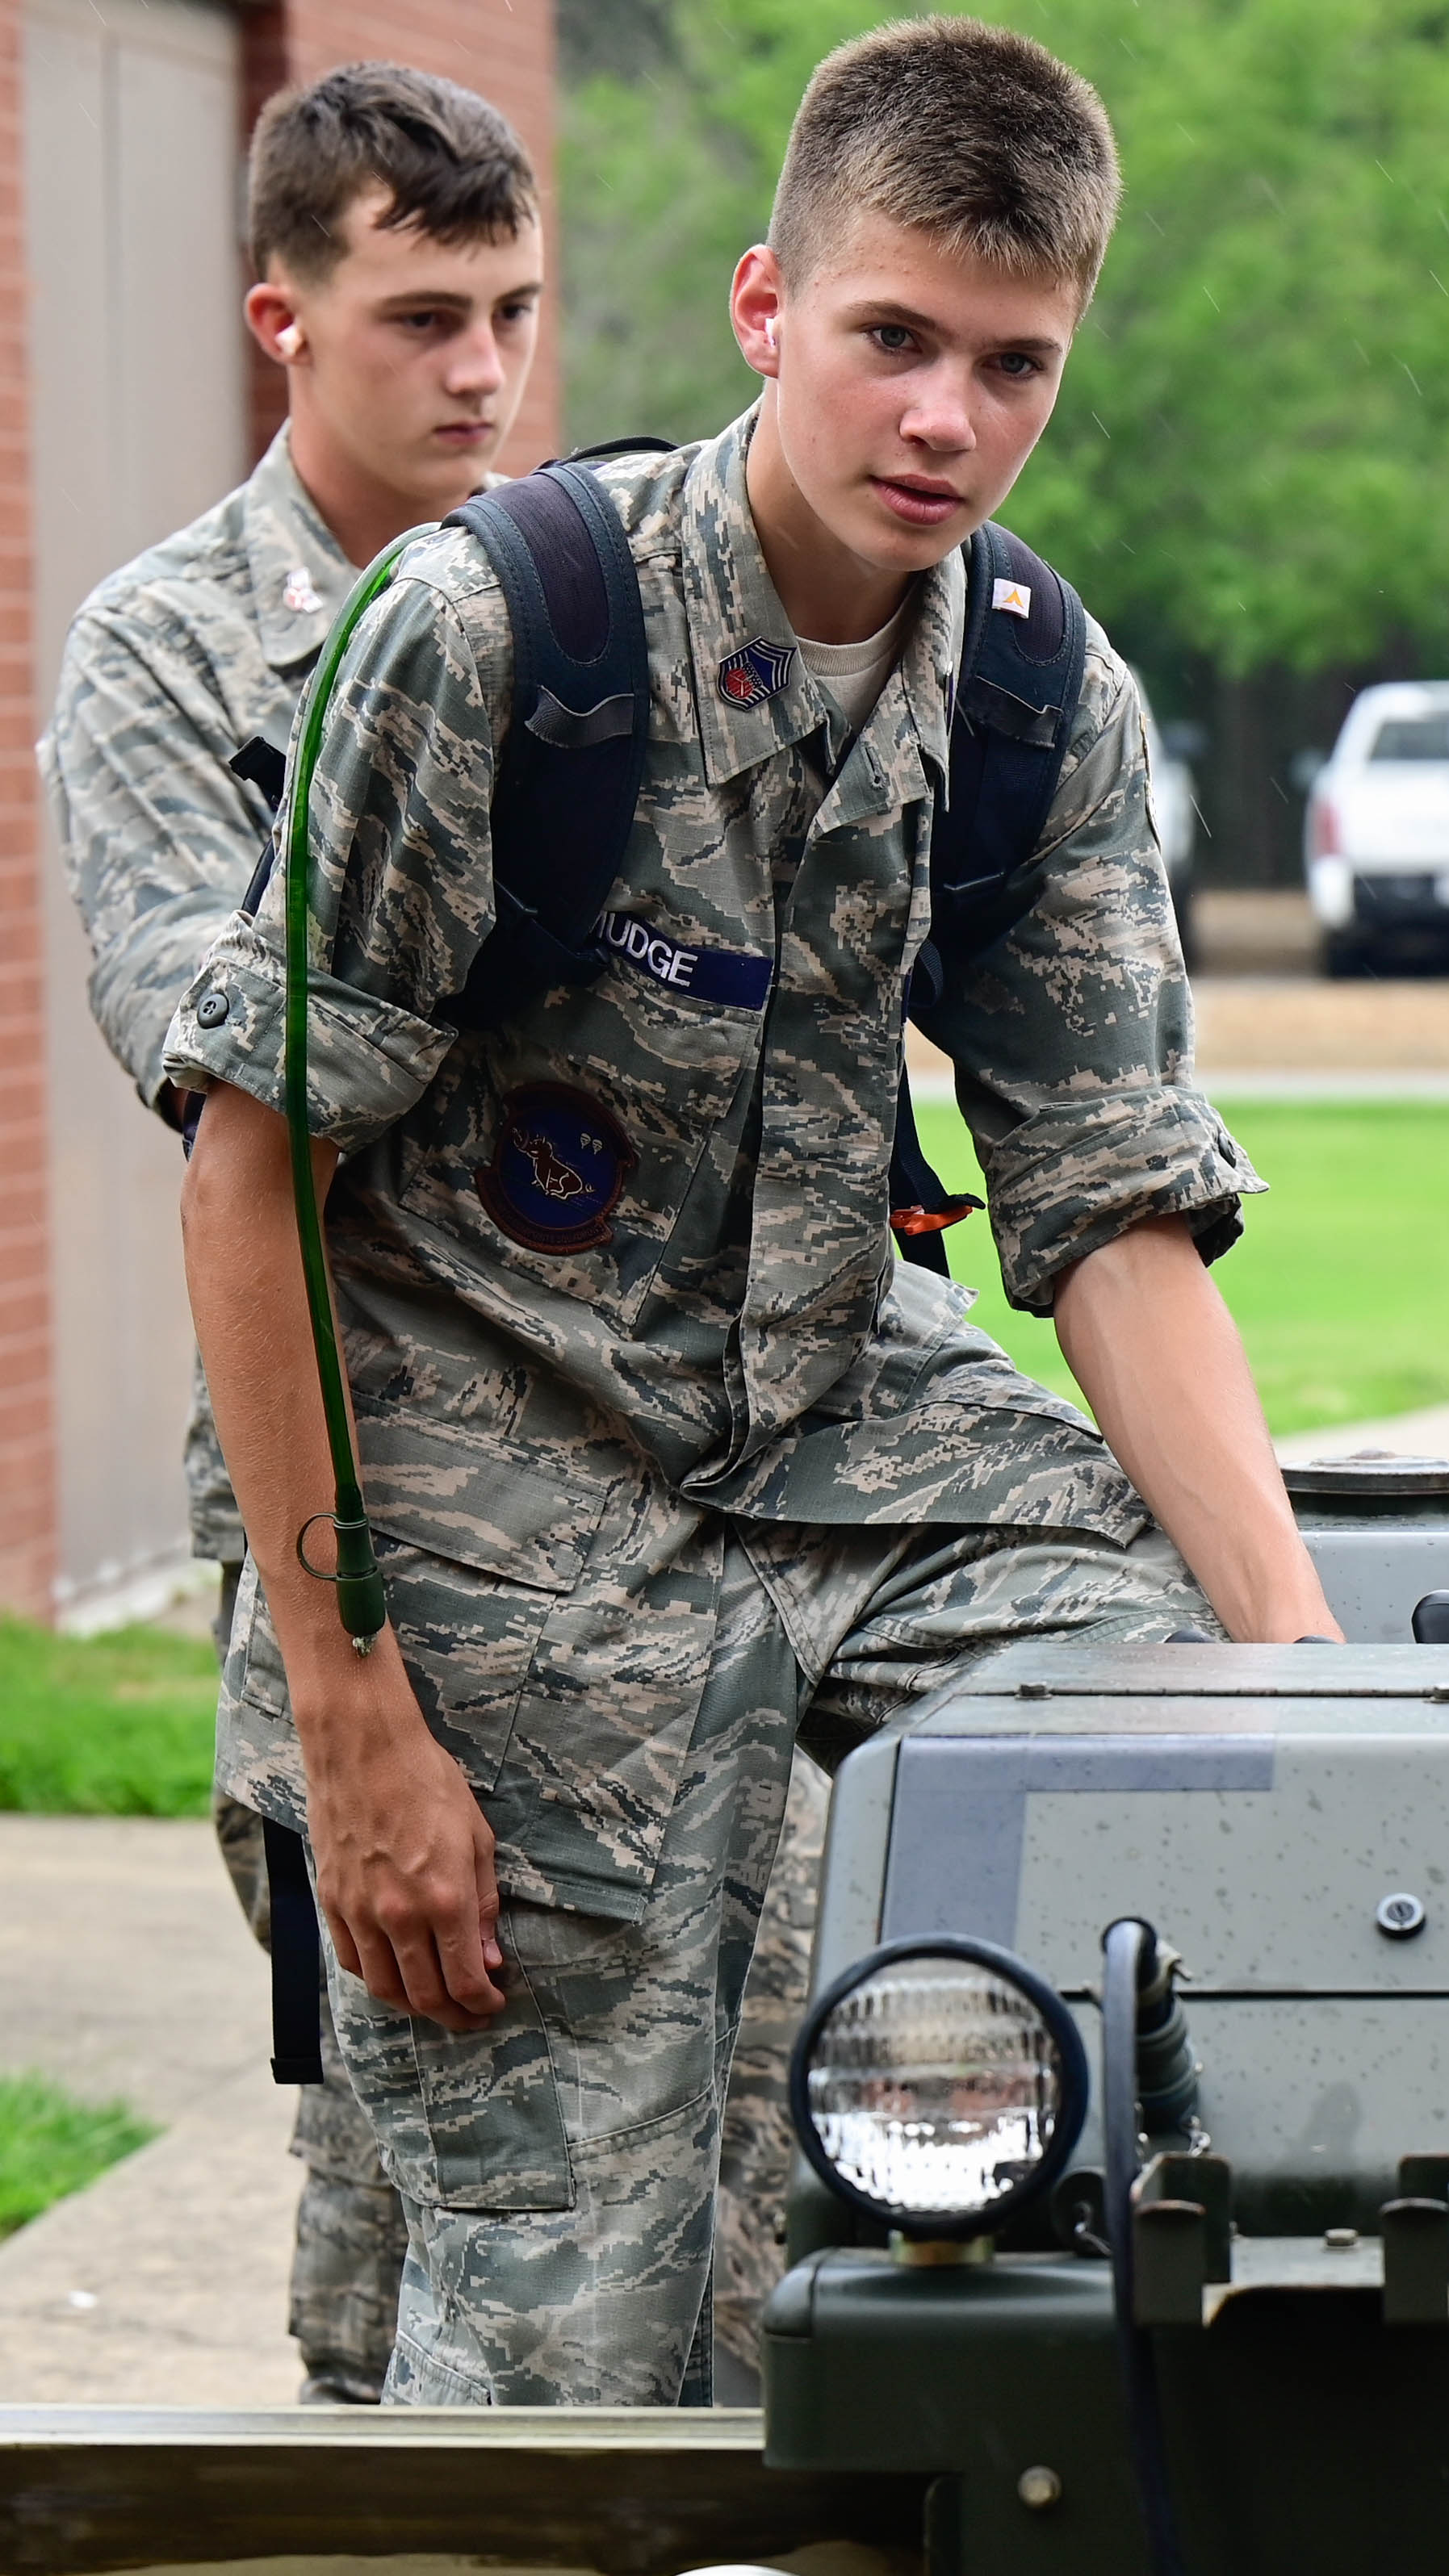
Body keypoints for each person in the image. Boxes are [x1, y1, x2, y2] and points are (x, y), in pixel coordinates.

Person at [164, 15, 1341, 2406]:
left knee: (1193, 1725)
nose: (945, 421)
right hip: (482, 1488)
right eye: (892, 338)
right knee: (578, 2354)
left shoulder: (1035, 699)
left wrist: (1312, 1677)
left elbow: (1109, 1209)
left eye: (1012, 366)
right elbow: (251, 1158)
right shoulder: (495, 632)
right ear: (763, 305)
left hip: (827, 1436)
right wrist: (348, 1714)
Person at [53, 62, 548, 2407]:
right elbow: (230, 1097)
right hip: (354, 1503)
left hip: (644, 1494)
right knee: (402, 2159)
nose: (478, 371)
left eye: (513, 314)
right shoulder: (167, 658)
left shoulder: (599, 617)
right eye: (422, 316)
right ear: (286, 321)